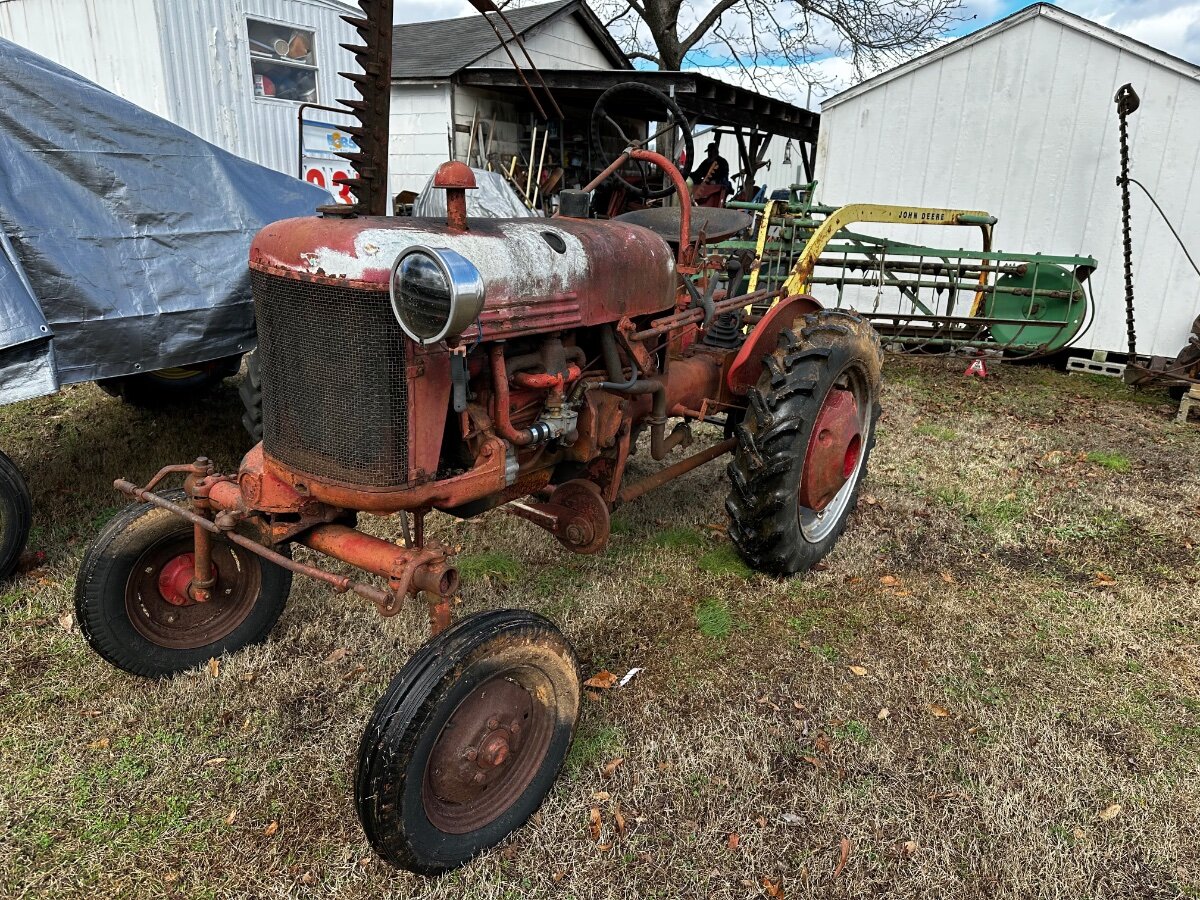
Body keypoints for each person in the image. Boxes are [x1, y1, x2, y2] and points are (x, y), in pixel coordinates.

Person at [693, 143, 731, 207]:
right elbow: (697, 173)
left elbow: (724, 175)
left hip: (718, 186)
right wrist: (688, 175)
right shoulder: (705, 163)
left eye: (711, 151)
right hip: (705, 187)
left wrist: (715, 181)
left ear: (716, 152)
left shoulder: (722, 162)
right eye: (709, 152)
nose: (709, 154)